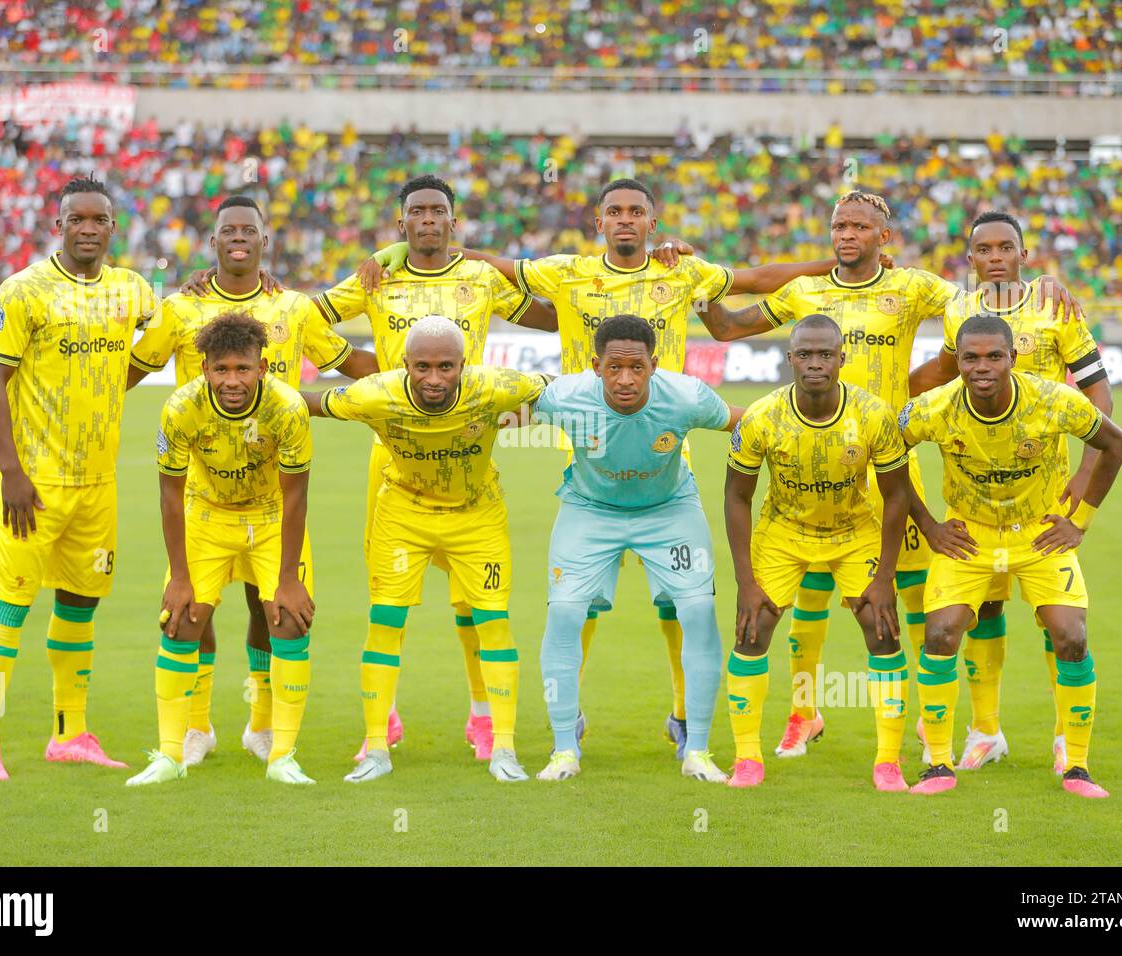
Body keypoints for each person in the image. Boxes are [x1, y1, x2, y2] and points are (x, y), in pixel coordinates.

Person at [371, 176, 843, 759]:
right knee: (578, 602)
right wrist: (401, 252)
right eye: (613, 211)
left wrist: (834, 262)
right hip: (589, 450)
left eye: (635, 211)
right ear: (599, 223)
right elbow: (499, 267)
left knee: (679, 602)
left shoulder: (681, 271)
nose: (624, 219)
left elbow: (755, 279)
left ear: (653, 221)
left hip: (668, 443)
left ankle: (681, 715)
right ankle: (569, 724)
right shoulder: (565, 271)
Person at [697, 190, 1082, 762]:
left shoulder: (913, 287)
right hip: (816, 462)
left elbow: (991, 297)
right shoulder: (806, 292)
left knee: (919, 597)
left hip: (891, 462)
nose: (847, 234)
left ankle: (935, 727)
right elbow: (727, 330)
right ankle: (804, 713)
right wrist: (700, 291)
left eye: (859, 226)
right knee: (810, 595)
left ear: (885, 237)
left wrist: (1045, 283)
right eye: (838, 225)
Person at [128, 194, 376, 768]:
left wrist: (407, 371)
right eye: (227, 230)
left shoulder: (295, 308)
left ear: (265, 240)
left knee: (272, 612)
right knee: (196, 612)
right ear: (212, 242)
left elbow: (345, 361)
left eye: (250, 230)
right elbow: (129, 371)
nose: (238, 237)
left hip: (273, 493)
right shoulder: (179, 308)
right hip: (203, 493)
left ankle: (263, 727)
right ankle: (196, 728)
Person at [317, 174, 558, 764]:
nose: (428, 220)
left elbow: (553, 320)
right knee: (387, 602)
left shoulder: (480, 278)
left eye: (438, 211)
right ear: (401, 223)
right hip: (393, 457)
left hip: (468, 443)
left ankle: (483, 717)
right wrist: (370, 378)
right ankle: (385, 719)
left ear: (454, 222)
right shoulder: (378, 275)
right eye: (417, 212)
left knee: (473, 605)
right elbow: (306, 316)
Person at [303, 315, 551, 784]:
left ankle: (504, 749)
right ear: (404, 364)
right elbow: (309, 404)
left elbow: (561, 389)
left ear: (464, 364)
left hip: (477, 517)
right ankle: (377, 747)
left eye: (445, 367)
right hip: (403, 515)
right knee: (385, 623)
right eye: (422, 367)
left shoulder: (498, 386)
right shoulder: (375, 393)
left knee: (493, 624)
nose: (434, 379)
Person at [907, 210, 1113, 772]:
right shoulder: (959, 311)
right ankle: (986, 730)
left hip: (1042, 490)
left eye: (1006, 248)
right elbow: (944, 381)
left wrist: (1085, 474)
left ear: (1024, 254)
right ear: (969, 260)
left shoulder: (1056, 305)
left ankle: (1064, 740)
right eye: (984, 249)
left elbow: (1099, 400)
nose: (995, 257)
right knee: (984, 605)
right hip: (975, 490)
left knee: (1058, 619)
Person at [0, 174, 155, 780]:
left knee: (80, 606)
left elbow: (174, 320)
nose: (88, 229)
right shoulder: (23, 290)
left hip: (98, 487)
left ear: (112, 227)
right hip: (34, 486)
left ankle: (69, 733)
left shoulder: (131, 290)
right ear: (59, 225)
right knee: (10, 606)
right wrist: (11, 472)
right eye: (77, 219)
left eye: (98, 219)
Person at [533, 314, 743, 783]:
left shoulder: (686, 396)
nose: (625, 379)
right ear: (595, 366)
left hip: (669, 510)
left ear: (655, 364)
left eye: (637, 367)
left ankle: (699, 751)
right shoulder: (565, 398)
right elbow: (498, 405)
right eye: (614, 368)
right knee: (565, 613)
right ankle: (564, 749)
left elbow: (744, 424)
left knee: (697, 612)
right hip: (589, 509)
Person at [127, 311, 317, 786]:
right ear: (204, 368)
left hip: (270, 516)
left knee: (288, 621)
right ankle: (173, 753)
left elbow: (296, 495)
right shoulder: (180, 408)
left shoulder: (288, 408)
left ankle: (279, 753)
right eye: (221, 369)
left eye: (243, 369)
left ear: (263, 367)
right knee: (181, 620)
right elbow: (169, 495)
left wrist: (289, 579)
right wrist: (179, 576)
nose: (232, 380)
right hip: (206, 515)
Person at [723, 314, 913, 790]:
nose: (814, 364)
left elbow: (896, 495)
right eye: (804, 354)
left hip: (854, 531)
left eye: (825, 354)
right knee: (752, 630)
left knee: (883, 629)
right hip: (784, 531)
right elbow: (736, 497)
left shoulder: (874, 415)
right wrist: (746, 582)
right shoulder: (761, 417)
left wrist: (885, 576)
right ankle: (747, 759)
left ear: (841, 360)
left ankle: (888, 761)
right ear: (789, 359)